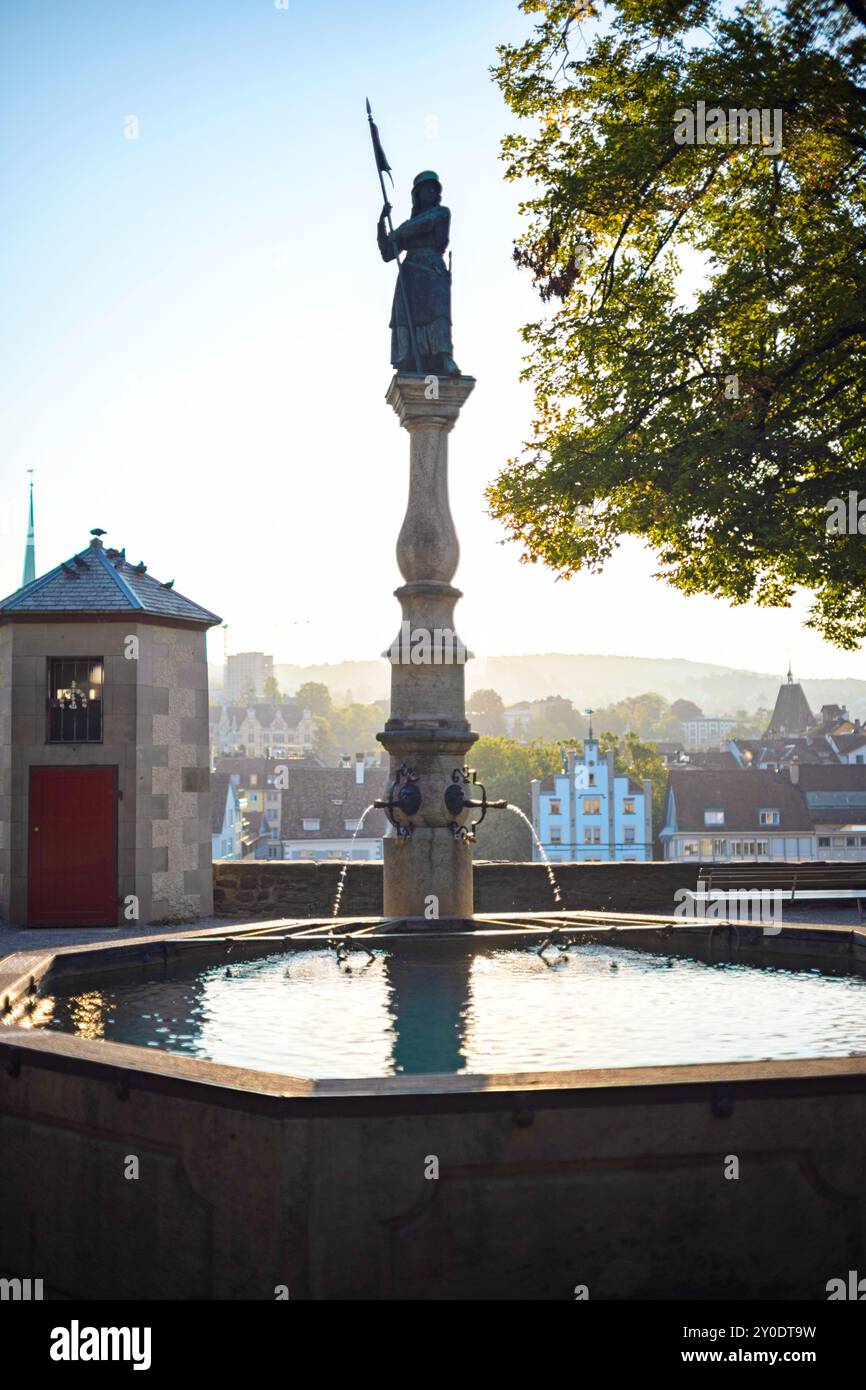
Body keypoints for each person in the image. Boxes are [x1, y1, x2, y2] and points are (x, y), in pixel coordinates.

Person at [377, 170, 461, 375]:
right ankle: (411, 358)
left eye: (434, 188)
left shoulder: (441, 213)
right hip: (410, 273)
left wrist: (399, 233)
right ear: (418, 194)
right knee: (409, 318)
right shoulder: (407, 226)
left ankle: (444, 357)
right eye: (427, 188)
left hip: (432, 270)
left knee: (439, 314)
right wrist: (382, 223)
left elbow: (429, 226)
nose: (432, 191)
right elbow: (388, 253)